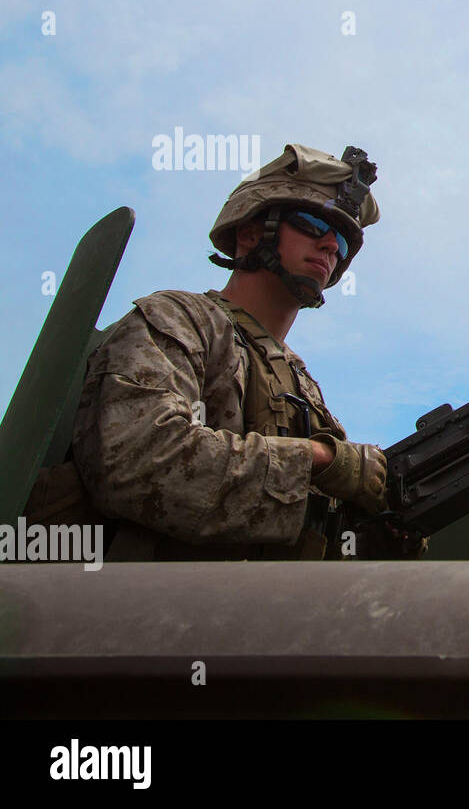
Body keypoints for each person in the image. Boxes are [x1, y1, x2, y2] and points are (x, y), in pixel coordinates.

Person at [70, 143, 409, 560]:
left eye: (339, 237)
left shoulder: (301, 384)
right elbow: (138, 461)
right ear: (251, 232)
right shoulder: (179, 320)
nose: (329, 246)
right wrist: (319, 459)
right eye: (310, 224)